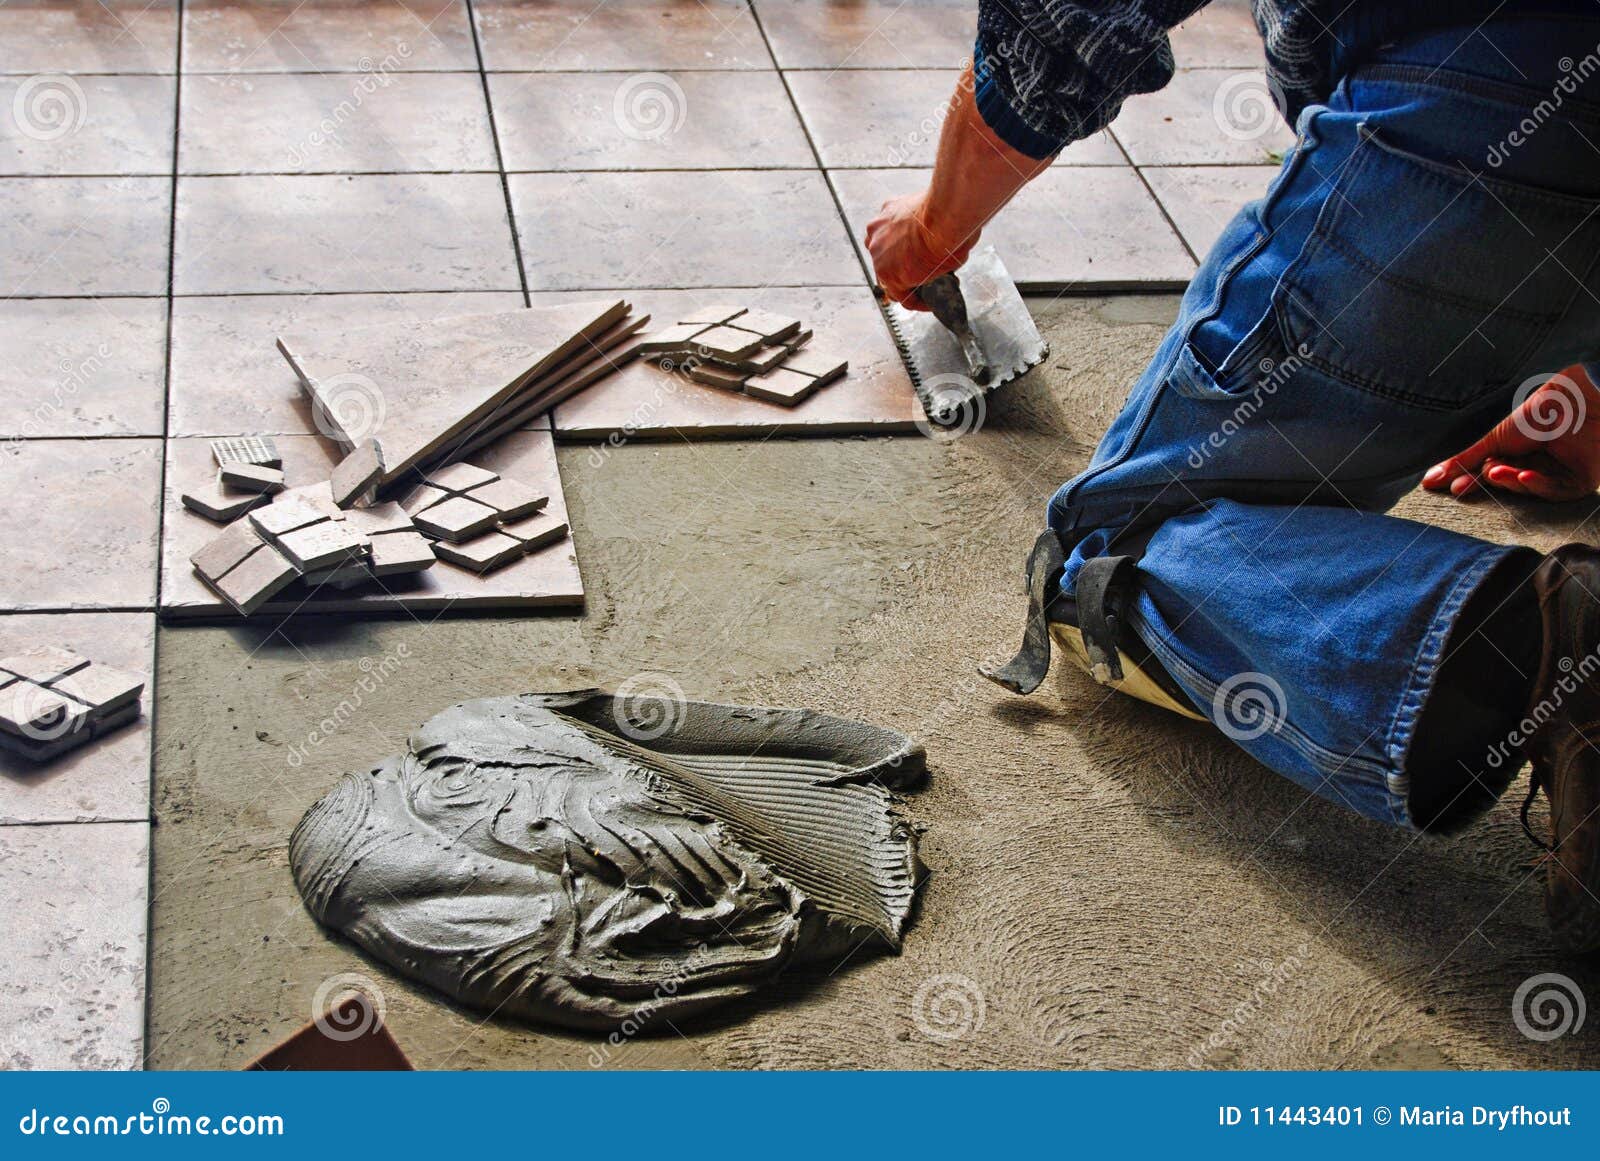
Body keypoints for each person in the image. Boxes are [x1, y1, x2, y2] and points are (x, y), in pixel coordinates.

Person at [865, 0, 1600, 951]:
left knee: (1103, 563)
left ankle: (1553, 633)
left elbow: (1065, 22)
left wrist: (933, 227)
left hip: (1482, 109)